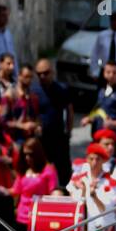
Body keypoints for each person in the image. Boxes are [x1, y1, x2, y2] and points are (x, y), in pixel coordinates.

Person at [34, 59, 74, 188]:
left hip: (59, 134)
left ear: (52, 72)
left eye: (46, 73)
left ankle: (66, 189)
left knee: (63, 166)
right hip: (41, 136)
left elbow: (69, 109)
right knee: (43, 165)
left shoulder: (61, 89)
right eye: (39, 73)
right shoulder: (34, 90)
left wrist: (69, 129)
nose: (42, 76)